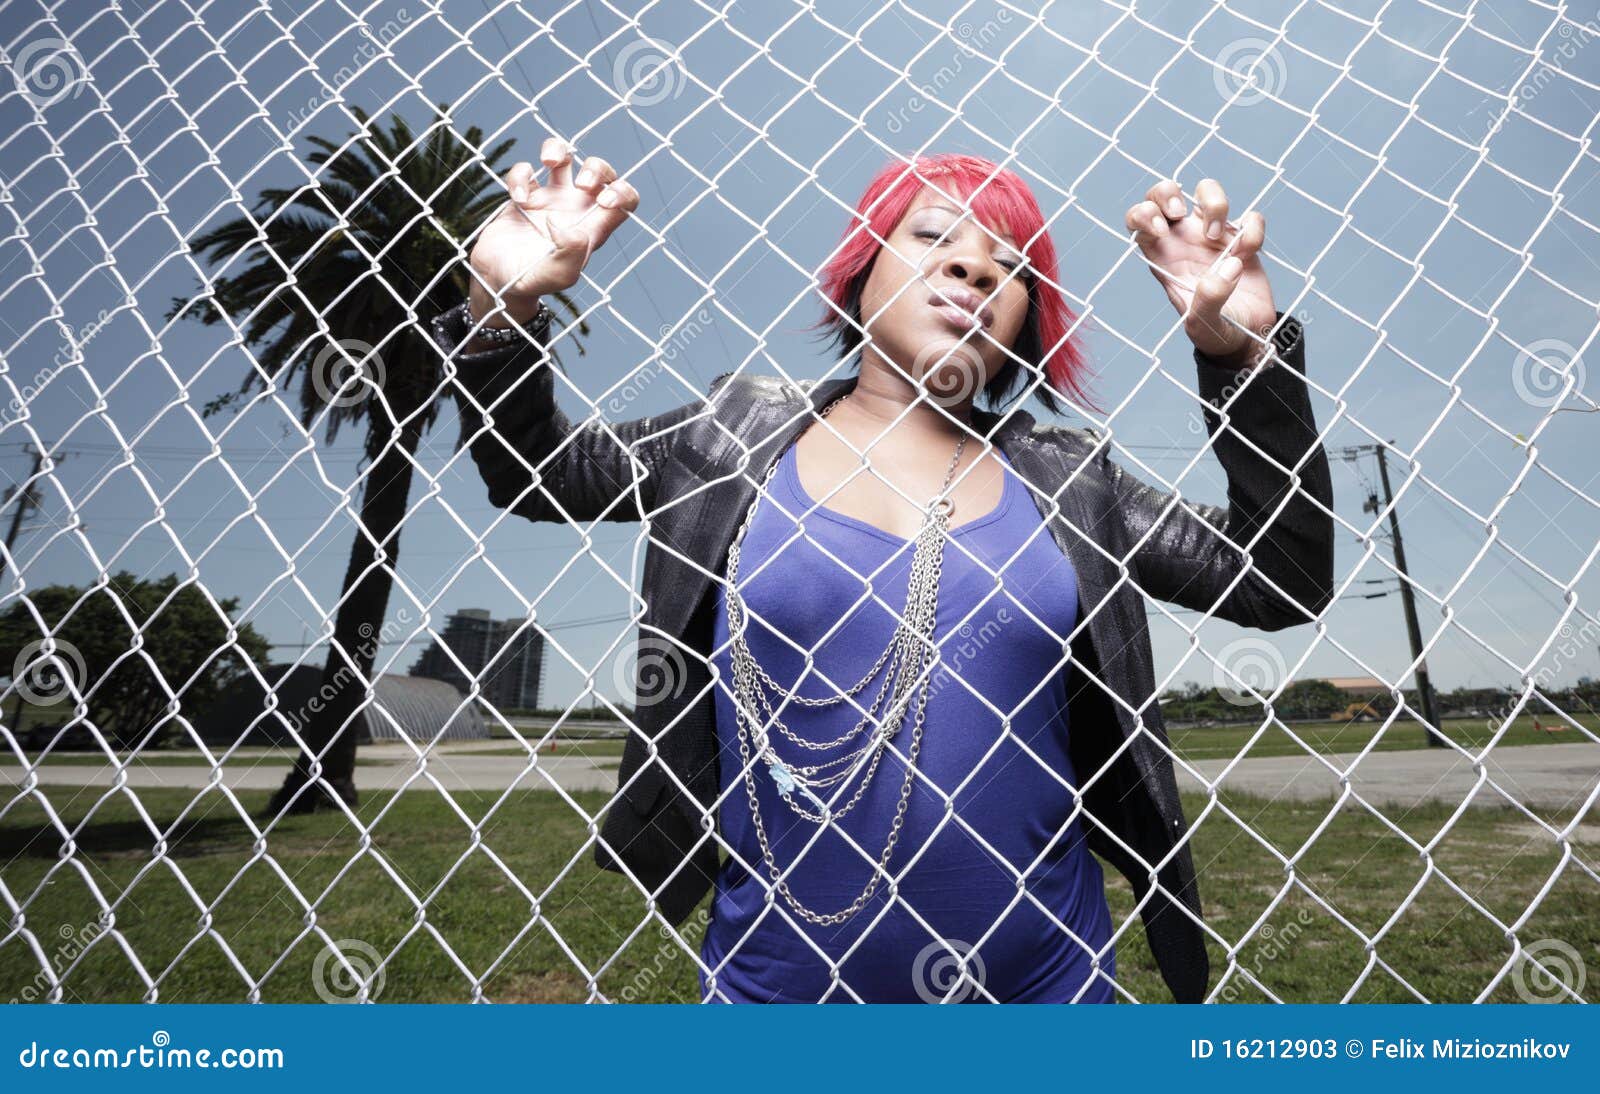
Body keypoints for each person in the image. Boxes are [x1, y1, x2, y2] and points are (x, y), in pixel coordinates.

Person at [427, 140, 1335, 1003]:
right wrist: (497, 307)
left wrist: (1240, 355)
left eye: (1007, 263)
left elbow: (1281, 577)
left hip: (1048, 996)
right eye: (934, 236)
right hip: (774, 1000)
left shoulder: (1070, 477)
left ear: (1026, 321)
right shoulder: (726, 435)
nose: (974, 267)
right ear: (860, 271)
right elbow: (532, 469)